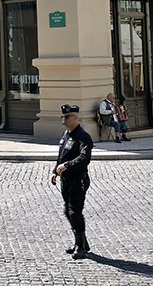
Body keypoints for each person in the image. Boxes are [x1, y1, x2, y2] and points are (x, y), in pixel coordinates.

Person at [51, 104, 93, 260]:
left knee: (75, 211)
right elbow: (61, 155)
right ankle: (81, 241)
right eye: (63, 117)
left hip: (78, 179)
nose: (64, 120)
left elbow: (84, 159)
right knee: (68, 211)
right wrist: (55, 171)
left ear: (75, 118)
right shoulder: (66, 134)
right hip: (66, 180)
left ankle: (81, 247)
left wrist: (66, 166)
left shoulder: (83, 136)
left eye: (67, 117)